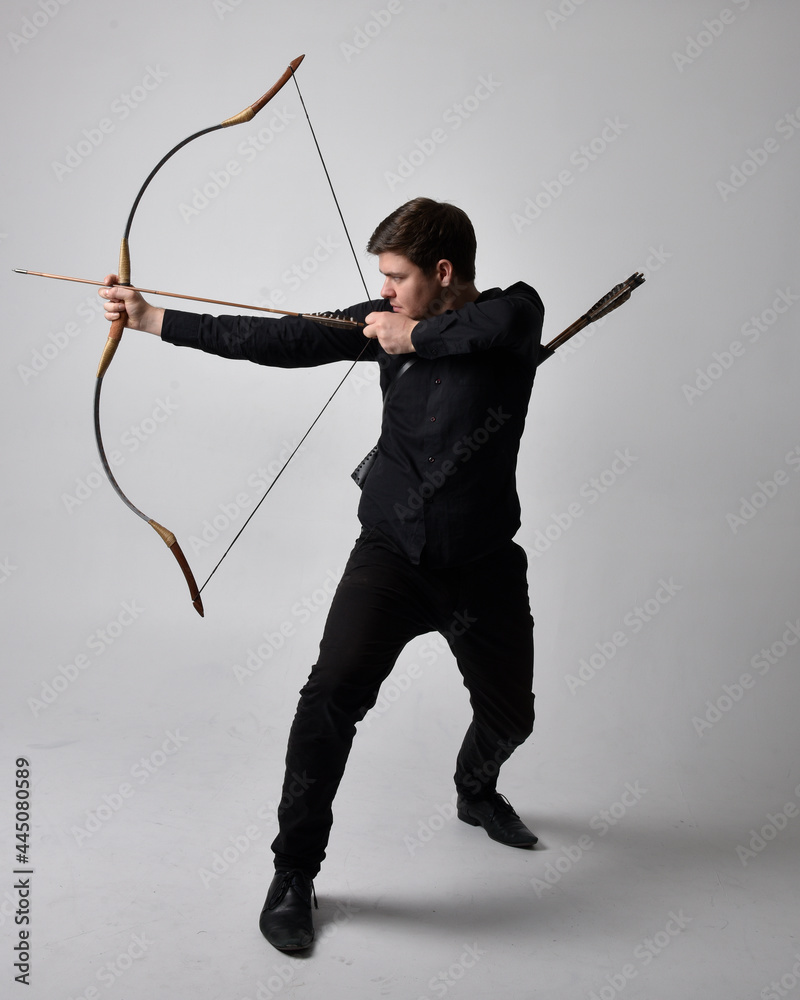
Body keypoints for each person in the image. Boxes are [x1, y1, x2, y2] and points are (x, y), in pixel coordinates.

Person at [101, 197, 545, 952]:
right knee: (328, 699)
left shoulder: (512, 316)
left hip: (483, 566)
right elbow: (280, 338)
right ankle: (294, 873)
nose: (385, 292)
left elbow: (498, 324)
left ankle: (476, 788)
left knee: (513, 719)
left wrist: (418, 334)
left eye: (398, 278)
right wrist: (153, 321)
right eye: (382, 279)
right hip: (391, 557)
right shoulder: (382, 323)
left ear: (443, 273)